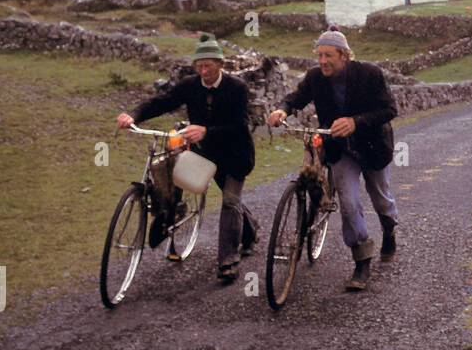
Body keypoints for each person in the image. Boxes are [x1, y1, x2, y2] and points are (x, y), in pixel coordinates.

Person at [116, 32, 259, 283]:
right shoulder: (190, 85)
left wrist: (206, 131)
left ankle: (228, 261)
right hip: (205, 153)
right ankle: (250, 231)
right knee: (219, 197)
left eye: (208, 66)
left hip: (236, 154)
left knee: (229, 201)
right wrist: (134, 116)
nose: (204, 71)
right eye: (199, 66)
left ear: (221, 65)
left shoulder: (236, 88)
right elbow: (162, 102)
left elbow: (240, 126)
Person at [266, 26, 398, 292]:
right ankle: (362, 261)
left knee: (381, 198)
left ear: (345, 55)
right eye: (319, 55)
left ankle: (389, 228)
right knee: (348, 203)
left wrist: (355, 122)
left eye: (329, 55)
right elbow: (297, 97)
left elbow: (389, 109)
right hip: (339, 149)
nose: (323, 61)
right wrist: (282, 109)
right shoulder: (315, 77)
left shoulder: (370, 74)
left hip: (372, 146)